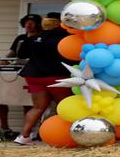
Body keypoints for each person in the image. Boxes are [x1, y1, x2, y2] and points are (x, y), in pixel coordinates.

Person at [11, 15, 73, 146]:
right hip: (56, 75)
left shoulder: (33, 38)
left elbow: (21, 54)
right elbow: (71, 57)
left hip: (34, 76)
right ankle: (70, 134)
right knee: (65, 106)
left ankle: (23, 136)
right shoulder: (64, 39)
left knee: (38, 107)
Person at [0, 15, 41, 136]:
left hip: (33, 72)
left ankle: (27, 131)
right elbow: (12, 54)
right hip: (16, 71)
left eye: (32, 23)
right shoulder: (21, 38)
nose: (29, 25)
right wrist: (5, 59)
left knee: (27, 101)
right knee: (1, 98)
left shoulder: (41, 38)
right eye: (27, 23)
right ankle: (4, 128)